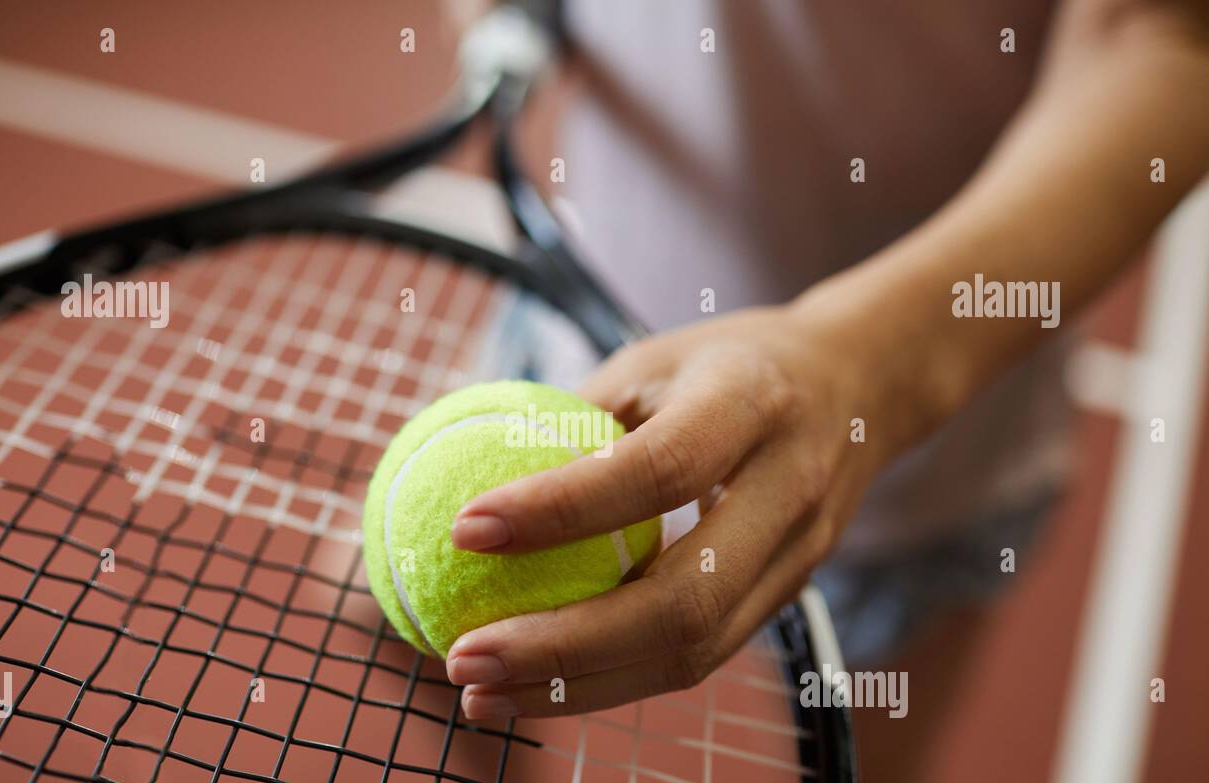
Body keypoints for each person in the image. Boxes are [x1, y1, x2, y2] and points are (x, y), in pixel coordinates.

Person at [443, 0, 1209, 720]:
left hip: (906, 461)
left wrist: (866, 368)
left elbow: (1164, 38)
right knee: (405, 639)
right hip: (579, 337)